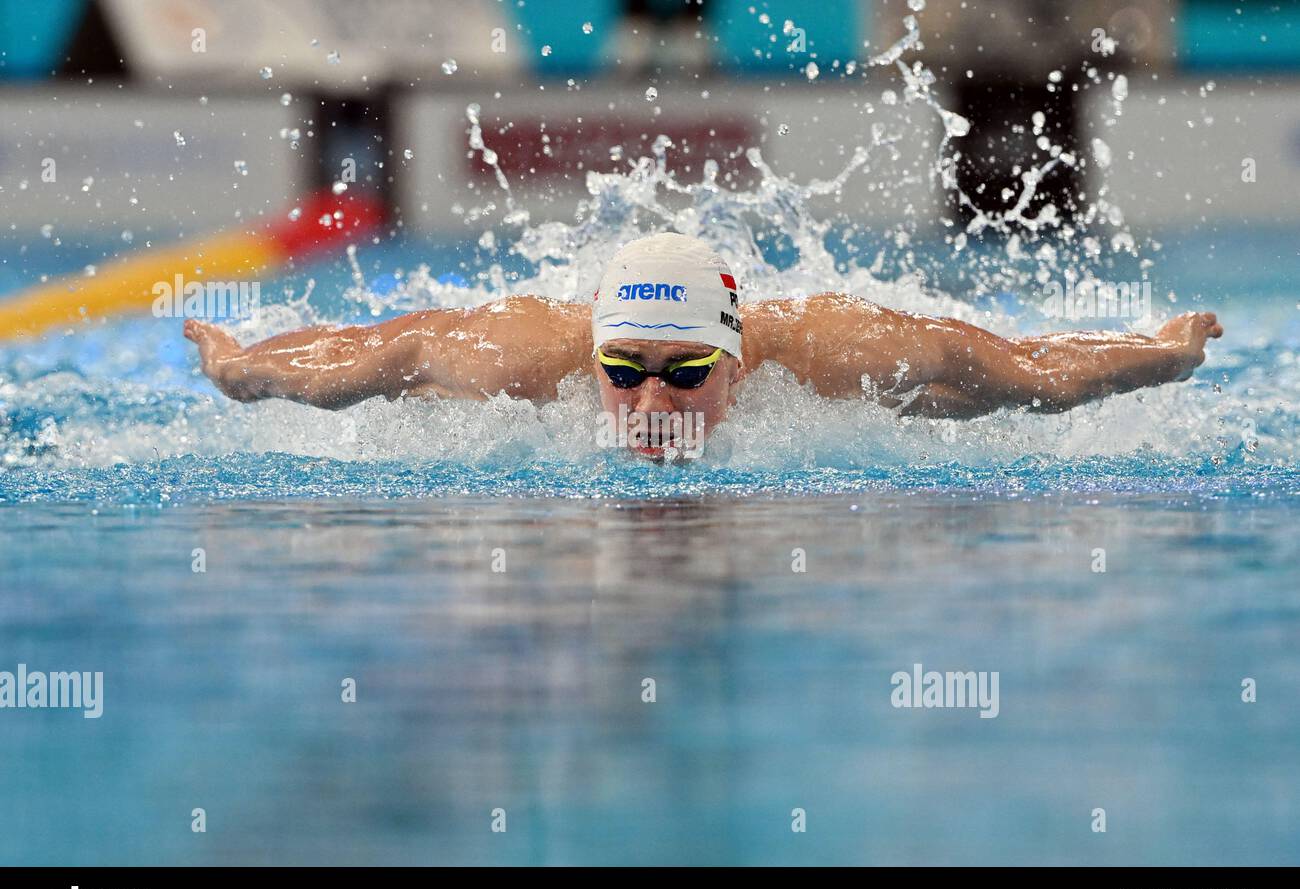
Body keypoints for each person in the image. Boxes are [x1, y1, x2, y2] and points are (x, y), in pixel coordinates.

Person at [185, 232, 1223, 458]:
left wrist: (1156, 351)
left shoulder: (832, 351)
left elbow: (1027, 370)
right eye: (621, 370)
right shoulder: (512, 358)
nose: (649, 403)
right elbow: (368, 352)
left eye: (684, 373)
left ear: (734, 359)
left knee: (960, 402)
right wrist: (245, 368)